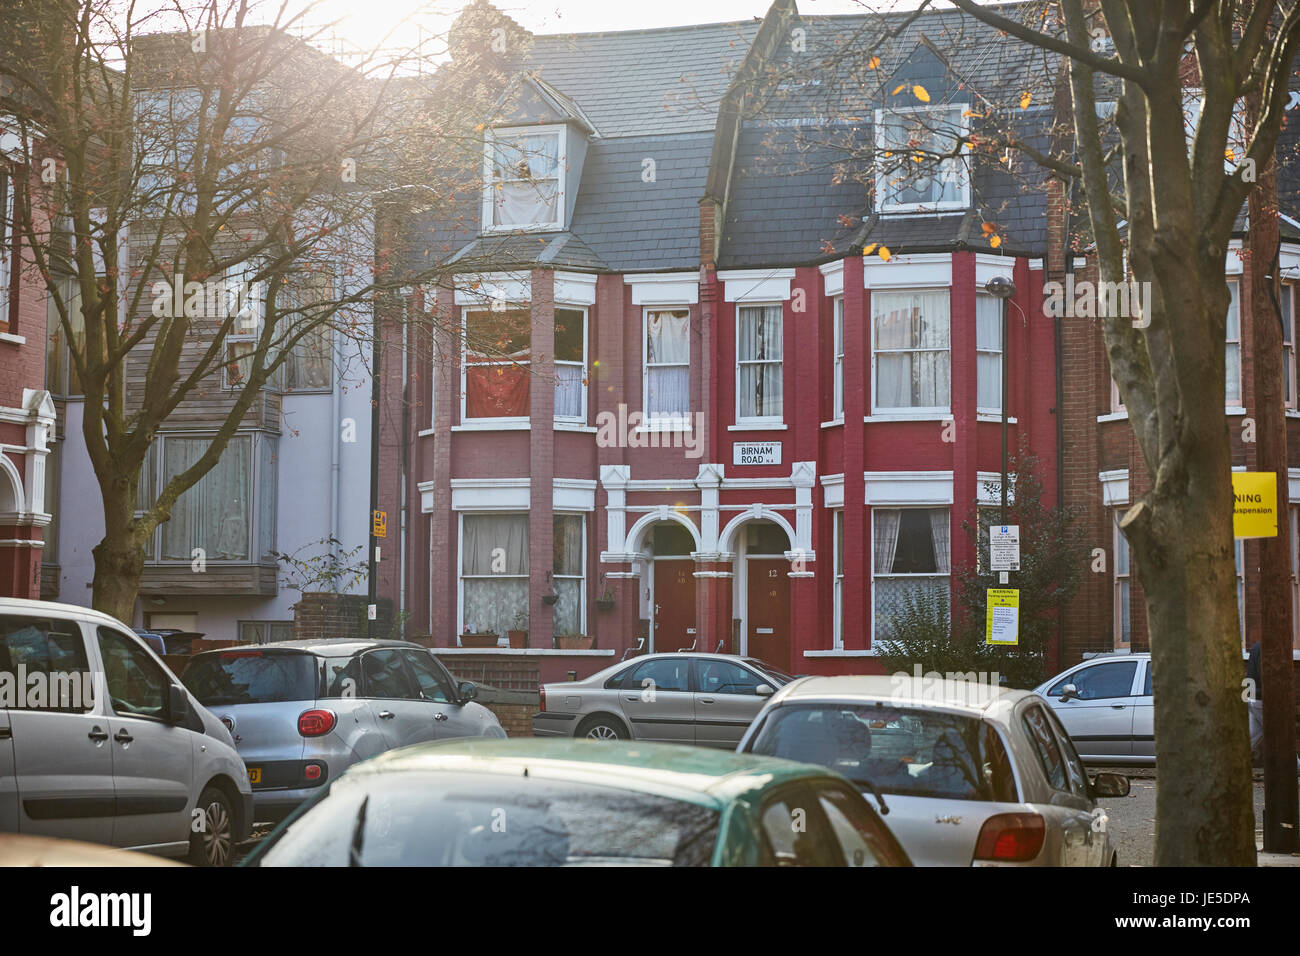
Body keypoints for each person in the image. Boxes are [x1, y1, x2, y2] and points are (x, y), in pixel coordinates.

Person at [1246, 641, 1263, 767]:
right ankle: (1296, 766)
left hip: (1251, 695)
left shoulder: (1256, 646)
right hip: (1261, 698)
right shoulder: (1267, 647)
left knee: (1251, 736)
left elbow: (1249, 672)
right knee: (1278, 732)